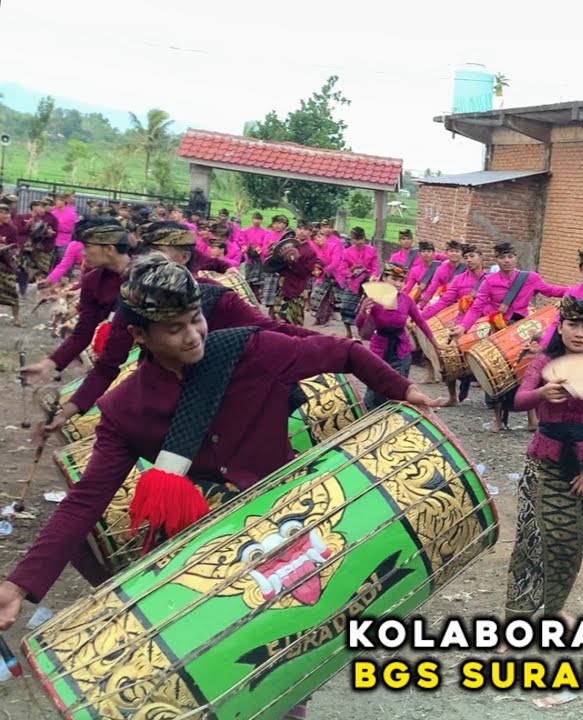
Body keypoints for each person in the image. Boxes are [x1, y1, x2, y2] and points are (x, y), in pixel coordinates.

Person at [0, 256, 441, 720]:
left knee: (281, 672)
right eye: (174, 328)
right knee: (218, 673)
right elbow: (86, 501)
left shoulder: (254, 352)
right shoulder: (124, 411)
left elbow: (346, 353)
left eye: (196, 319)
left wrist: (401, 389)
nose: (193, 335)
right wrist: (20, 585)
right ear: (139, 337)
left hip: (289, 528)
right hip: (205, 554)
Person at [43, 226, 320, 437]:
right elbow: (108, 365)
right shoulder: (137, 300)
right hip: (169, 398)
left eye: (157, 253)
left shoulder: (218, 298)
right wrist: (68, 411)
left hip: (237, 396)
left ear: (184, 257)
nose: (145, 260)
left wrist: (342, 348)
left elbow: (275, 330)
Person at [505, 295, 583, 625]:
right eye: (573, 325)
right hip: (542, 468)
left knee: (569, 549)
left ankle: (554, 608)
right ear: (561, 327)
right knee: (530, 545)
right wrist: (541, 393)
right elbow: (517, 400)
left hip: (582, 474)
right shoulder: (542, 363)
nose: (579, 333)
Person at [452, 241, 568, 432]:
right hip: (498, 334)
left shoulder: (530, 278)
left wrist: (578, 292)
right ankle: (498, 420)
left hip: (522, 333)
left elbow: (552, 291)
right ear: (497, 259)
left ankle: (532, 420)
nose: (507, 261)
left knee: (529, 374)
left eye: (510, 257)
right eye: (503, 257)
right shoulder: (489, 281)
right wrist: (463, 329)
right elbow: (477, 307)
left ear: (515, 258)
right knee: (494, 373)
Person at [18, 218, 133, 384]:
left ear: (109, 248)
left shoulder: (147, 276)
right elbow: (82, 333)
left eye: (87, 247)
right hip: (115, 357)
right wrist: (48, 365)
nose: (83, 253)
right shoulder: (92, 282)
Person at [355, 262, 434, 410]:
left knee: (399, 388)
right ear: (384, 278)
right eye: (394, 279)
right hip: (378, 349)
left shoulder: (406, 300)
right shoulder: (372, 297)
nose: (398, 284)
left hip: (401, 349)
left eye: (401, 280)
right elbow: (361, 328)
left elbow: (421, 323)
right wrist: (363, 313)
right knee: (375, 390)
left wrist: (436, 345)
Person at [421, 243, 489, 406]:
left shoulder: (490, 279)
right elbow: (444, 301)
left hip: (484, 323)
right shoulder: (459, 280)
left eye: (472, 256)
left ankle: (489, 396)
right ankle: (452, 397)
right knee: (446, 355)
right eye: (466, 257)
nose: (469, 260)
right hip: (461, 323)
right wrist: (420, 316)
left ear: (481, 257)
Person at [266, 230, 319, 326]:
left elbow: (305, 272)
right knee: (279, 314)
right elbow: (277, 266)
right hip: (284, 284)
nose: (302, 232)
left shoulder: (310, 252)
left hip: (298, 286)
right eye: (300, 228)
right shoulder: (289, 246)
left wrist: (294, 261)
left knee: (293, 317)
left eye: (305, 229)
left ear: (309, 232)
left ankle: (292, 336)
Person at [334, 226, 379, 339]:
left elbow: (375, 267)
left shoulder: (371, 250)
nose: (359, 242)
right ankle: (348, 331)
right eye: (355, 239)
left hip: (368, 284)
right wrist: (351, 272)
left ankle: (363, 332)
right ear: (351, 239)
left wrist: (373, 276)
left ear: (364, 238)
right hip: (353, 284)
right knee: (345, 308)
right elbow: (342, 269)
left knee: (368, 310)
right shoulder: (346, 252)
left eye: (361, 239)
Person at [311, 220, 343, 325]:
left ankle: (326, 319)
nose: (327, 229)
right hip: (319, 273)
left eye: (330, 227)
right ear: (321, 228)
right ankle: (317, 318)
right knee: (316, 295)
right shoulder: (316, 240)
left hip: (333, 273)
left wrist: (324, 270)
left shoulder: (337, 242)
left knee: (329, 297)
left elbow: (336, 261)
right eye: (325, 227)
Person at [419, 239, 468, 305]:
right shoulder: (440, 269)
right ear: (446, 253)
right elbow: (432, 287)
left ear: (462, 254)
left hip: (460, 301)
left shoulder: (466, 269)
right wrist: (422, 303)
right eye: (451, 251)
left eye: (457, 251)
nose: (454, 253)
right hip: (444, 299)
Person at [0, 204, 22, 325]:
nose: (6, 215)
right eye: (3, 213)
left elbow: (15, 247)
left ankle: (16, 317)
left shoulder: (12, 229)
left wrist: (12, 254)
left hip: (5, 262)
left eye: (7, 213)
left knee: (12, 290)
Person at [241, 211, 269, 297]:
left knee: (258, 278)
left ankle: (256, 294)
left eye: (259, 219)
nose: (257, 221)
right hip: (249, 256)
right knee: (249, 277)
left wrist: (260, 249)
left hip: (258, 257)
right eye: (255, 219)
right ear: (252, 219)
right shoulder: (245, 231)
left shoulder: (265, 232)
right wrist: (245, 248)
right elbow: (242, 242)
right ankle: (248, 294)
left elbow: (265, 244)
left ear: (261, 221)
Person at [50, 192, 78, 267]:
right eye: (56, 200)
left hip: (64, 239)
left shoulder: (71, 213)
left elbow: (69, 227)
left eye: (58, 200)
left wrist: (56, 227)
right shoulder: (53, 211)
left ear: (64, 201)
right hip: (51, 238)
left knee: (61, 259)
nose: (56, 202)